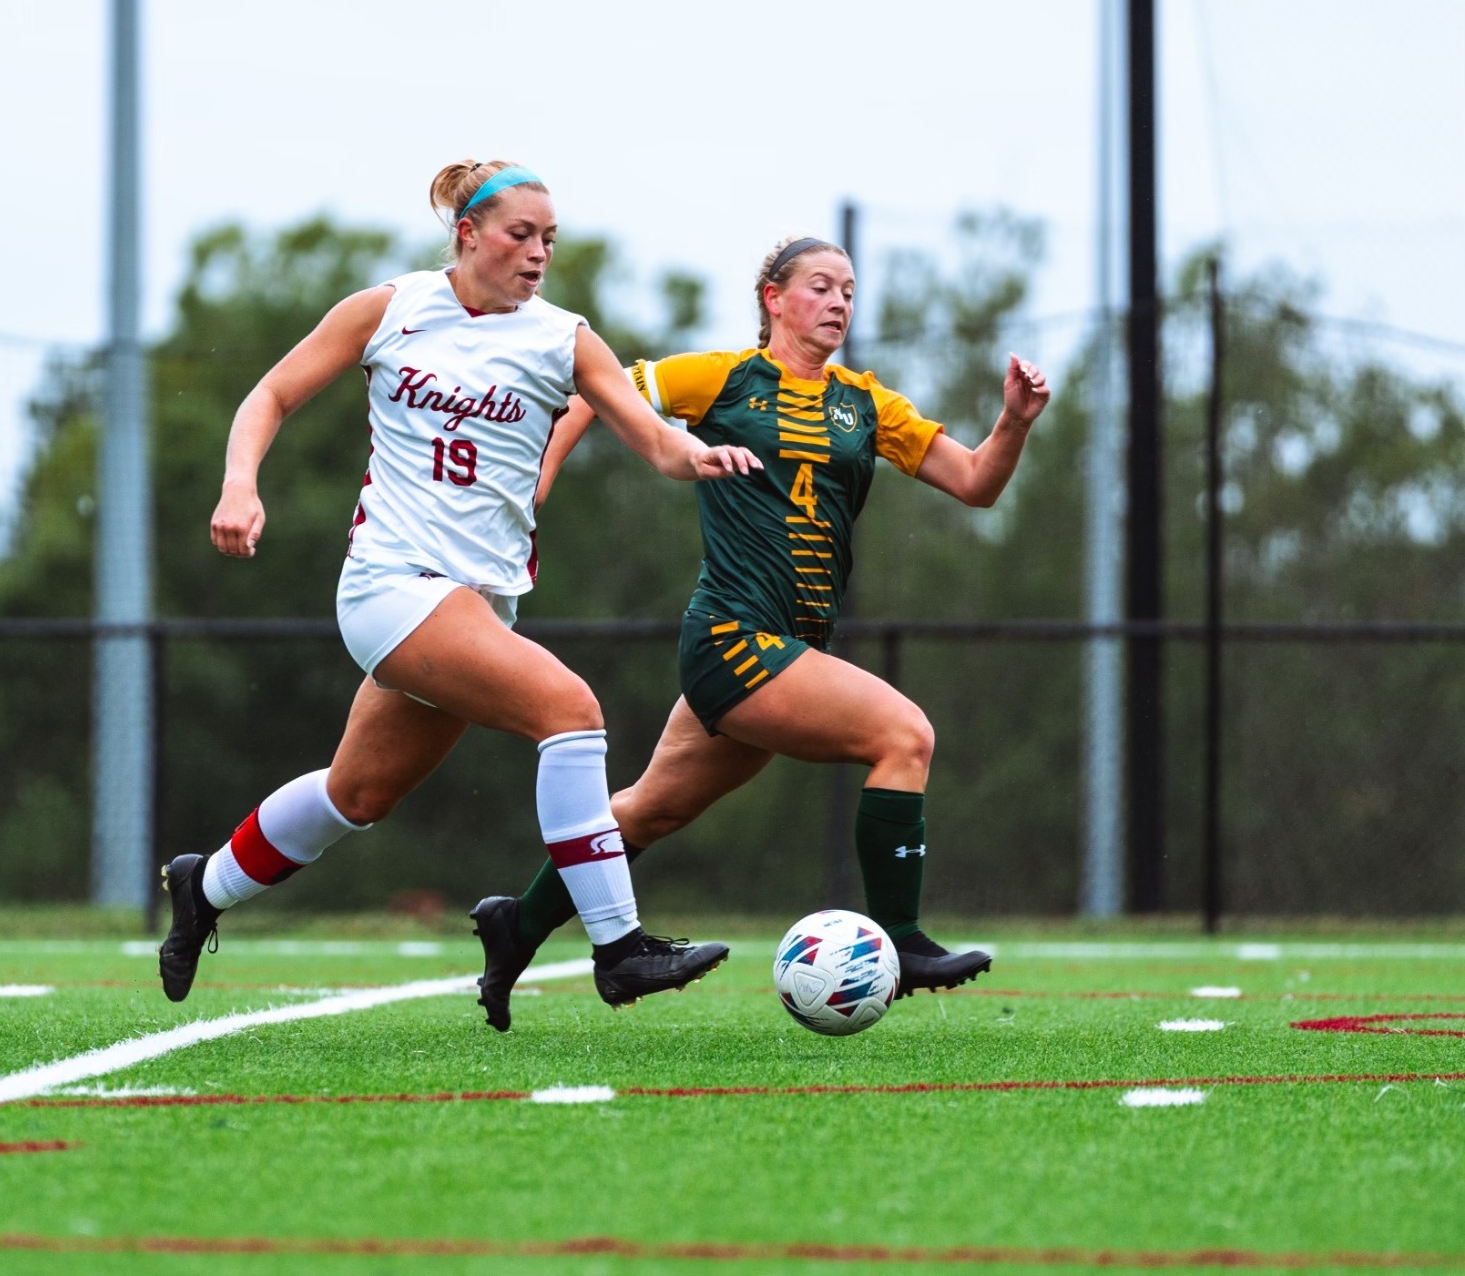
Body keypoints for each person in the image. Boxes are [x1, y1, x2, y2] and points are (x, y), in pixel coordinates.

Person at [160, 159, 761, 1011]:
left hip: (475, 608)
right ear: (467, 233)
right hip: (390, 585)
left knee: (358, 793)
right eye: (521, 234)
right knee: (571, 710)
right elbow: (272, 394)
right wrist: (238, 484)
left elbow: (658, 442)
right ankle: (619, 947)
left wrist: (698, 455)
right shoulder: (391, 307)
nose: (539, 252)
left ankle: (205, 886)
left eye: (549, 238)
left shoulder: (563, 337)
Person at [469, 235, 1052, 1031]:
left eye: (849, 290)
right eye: (821, 286)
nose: (839, 302)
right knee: (904, 735)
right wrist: (538, 477)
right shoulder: (722, 377)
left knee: (648, 811)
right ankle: (904, 941)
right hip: (732, 636)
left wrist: (1014, 421)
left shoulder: (867, 404)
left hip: (787, 646)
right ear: (773, 298)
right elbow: (591, 393)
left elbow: (978, 482)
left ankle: (516, 926)